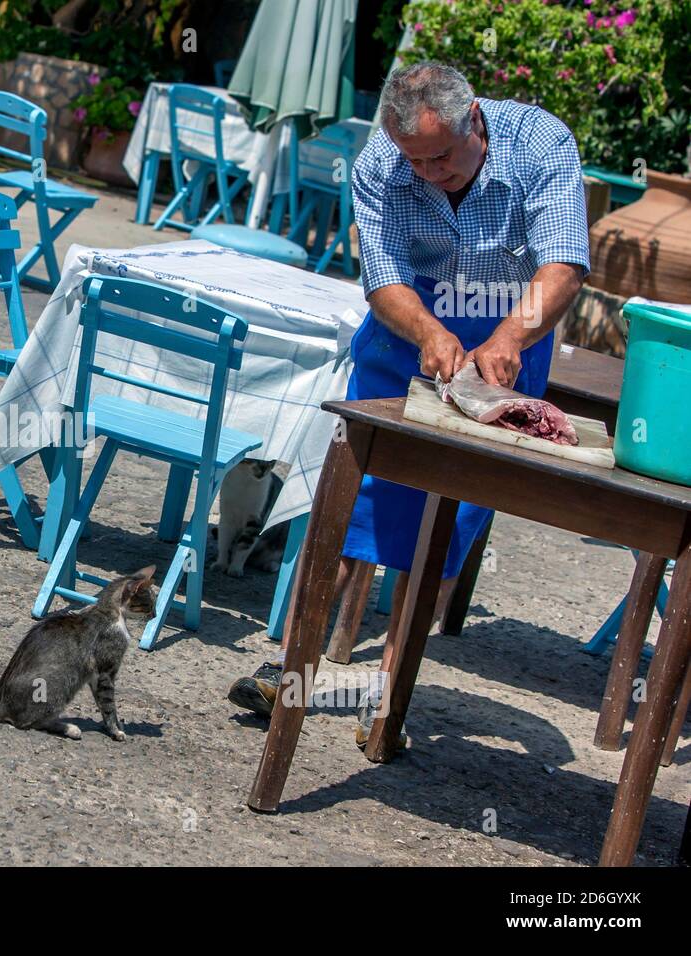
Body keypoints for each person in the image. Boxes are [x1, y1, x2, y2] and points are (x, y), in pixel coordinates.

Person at [227, 62, 591, 740]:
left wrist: (509, 337)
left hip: (511, 330)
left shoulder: (541, 144)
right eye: (413, 160)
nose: (427, 173)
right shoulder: (382, 162)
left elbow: (564, 263)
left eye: (442, 158)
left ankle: (388, 700)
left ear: (473, 121)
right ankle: (290, 669)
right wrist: (429, 330)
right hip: (408, 332)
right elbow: (383, 274)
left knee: (443, 521)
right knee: (351, 499)